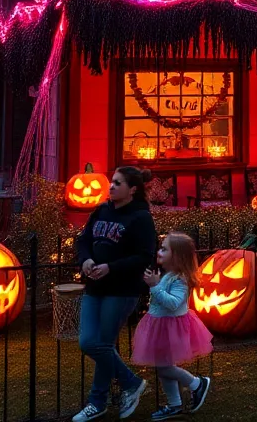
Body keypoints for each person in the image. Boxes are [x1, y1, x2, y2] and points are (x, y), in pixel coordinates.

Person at [73, 166, 158, 422]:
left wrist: (111, 267)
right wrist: (86, 260)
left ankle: (97, 402)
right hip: (95, 286)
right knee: (89, 341)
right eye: (111, 182)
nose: (111, 187)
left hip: (121, 290)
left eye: (117, 183)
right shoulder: (102, 210)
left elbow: (145, 256)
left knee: (102, 345)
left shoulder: (140, 217)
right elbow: (83, 240)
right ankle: (131, 383)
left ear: (132, 189)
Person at [133, 231, 213, 419]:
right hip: (158, 326)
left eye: (164, 249)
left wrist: (154, 286)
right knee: (163, 367)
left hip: (170, 328)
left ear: (177, 256)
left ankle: (196, 384)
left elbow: (172, 303)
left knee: (164, 367)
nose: (159, 252)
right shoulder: (166, 275)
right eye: (160, 248)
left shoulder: (180, 279)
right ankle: (174, 404)